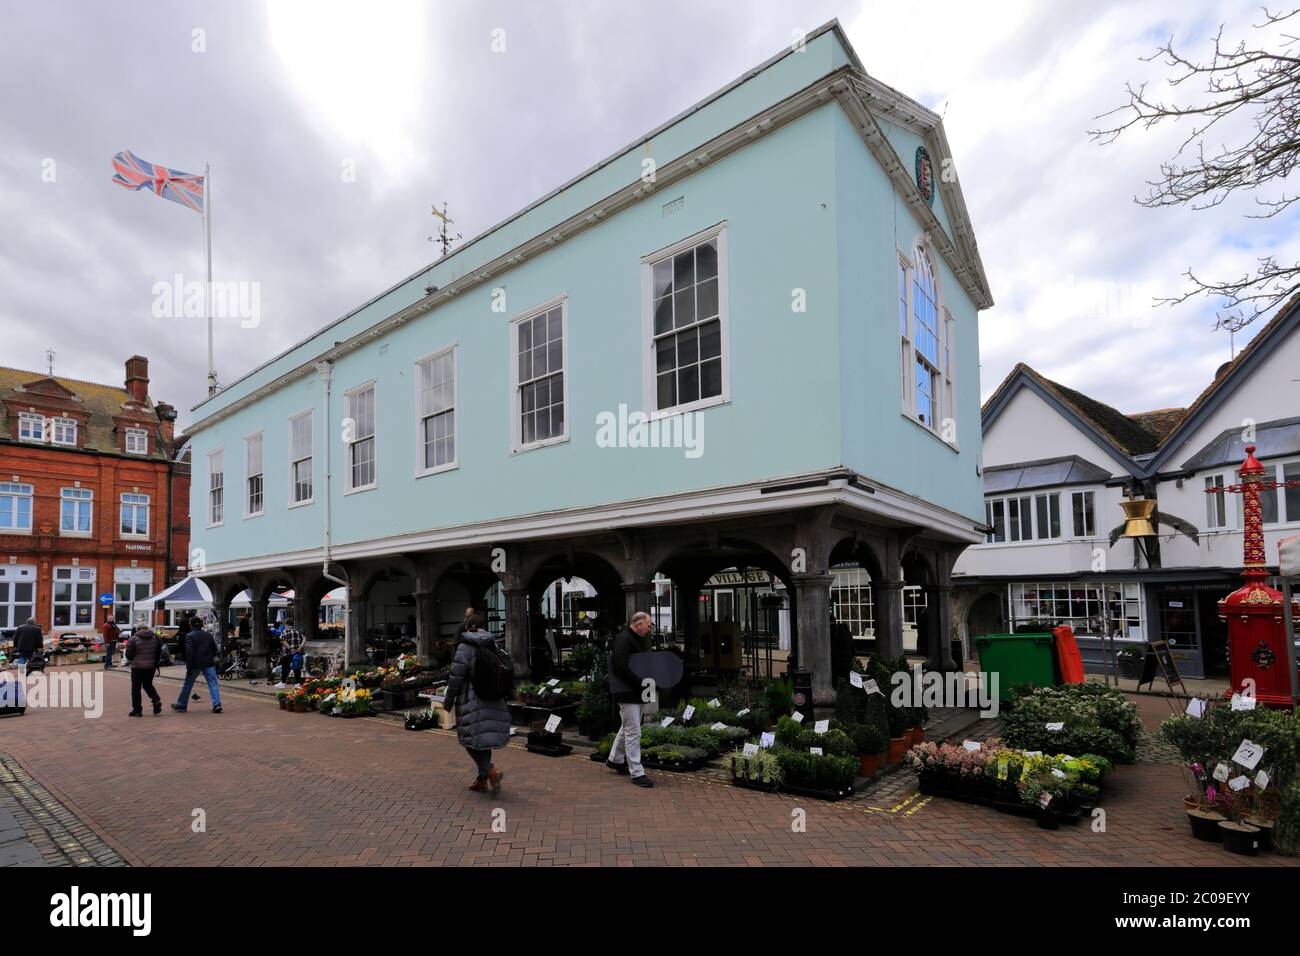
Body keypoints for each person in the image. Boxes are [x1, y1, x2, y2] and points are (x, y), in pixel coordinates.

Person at [442, 613, 510, 794]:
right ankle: (481, 781)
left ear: (467, 627)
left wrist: (448, 702)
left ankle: (490, 771)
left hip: (471, 700)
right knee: (482, 741)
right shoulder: (493, 644)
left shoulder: (464, 647)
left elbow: (456, 678)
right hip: (494, 698)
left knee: (469, 741)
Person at [606, 611, 654, 787]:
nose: (649, 629)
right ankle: (637, 773)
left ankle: (615, 759)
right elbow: (619, 666)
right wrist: (641, 683)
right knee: (634, 732)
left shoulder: (634, 639)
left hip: (634, 691)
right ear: (638, 624)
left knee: (627, 727)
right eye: (648, 625)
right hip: (627, 692)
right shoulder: (624, 639)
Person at [172, 618, 223, 714]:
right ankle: (217, 704)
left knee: (188, 683)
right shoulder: (207, 635)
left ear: (191, 625)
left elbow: (190, 652)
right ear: (201, 625)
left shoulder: (189, 636)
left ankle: (182, 705)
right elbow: (214, 649)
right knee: (213, 683)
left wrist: (189, 666)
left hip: (195, 663)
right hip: (208, 662)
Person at [124, 624, 163, 717]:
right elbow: (159, 652)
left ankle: (137, 710)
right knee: (148, 685)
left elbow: (129, 654)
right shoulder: (156, 638)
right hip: (151, 666)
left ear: (137, 629)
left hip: (137, 667)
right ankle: (156, 699)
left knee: (136, 688)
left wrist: (132, 659)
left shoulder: (133, 639)